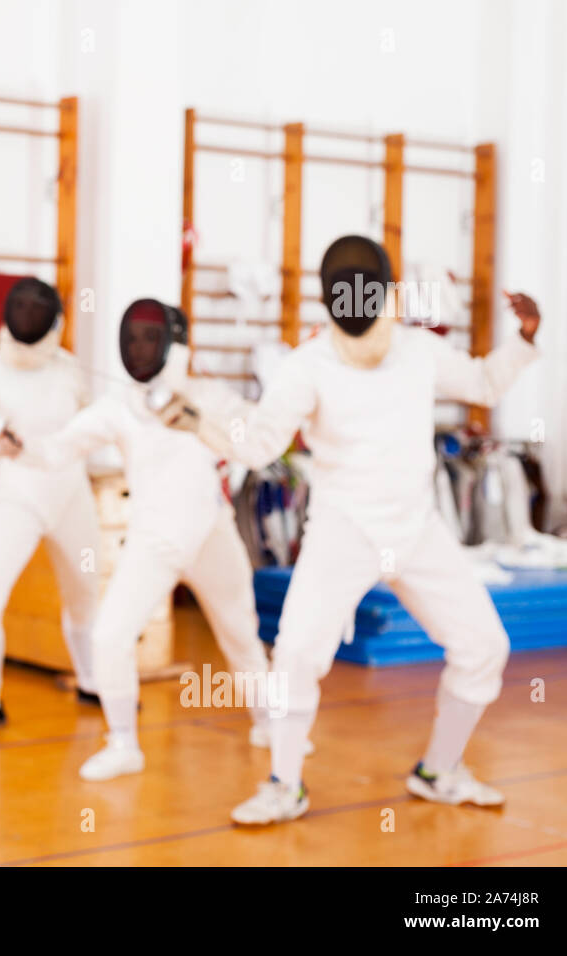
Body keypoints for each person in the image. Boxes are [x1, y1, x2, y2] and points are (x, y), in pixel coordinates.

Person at [164, 235, 541, 824]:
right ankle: (285, 785)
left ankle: (440, 771)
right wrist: (197, 421)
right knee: (293, 655)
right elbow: (262, 444)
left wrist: (522, 341)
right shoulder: (306, 366)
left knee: (485, 646)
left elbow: (484, 384)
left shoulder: (418, 351)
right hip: (344, 530)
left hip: (416, 527)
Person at [0, 298, 275, 780]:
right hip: (154, 541)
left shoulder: (210, 395)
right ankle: (123, 743)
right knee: (109, 636)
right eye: (134, 338)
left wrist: (201, 419)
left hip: (210, 529)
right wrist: (21, 446)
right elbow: (60, 448)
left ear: (175, 344)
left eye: (151, 337)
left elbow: (254, 439)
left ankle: (273, 724)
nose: (141, 347)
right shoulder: (119, 407)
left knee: (240, 631)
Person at [0, 278, 102, 731]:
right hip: (16, 499)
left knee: (85, 594)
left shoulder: (69, 369)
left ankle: (91, 682)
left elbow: (91, 431)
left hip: (71, 495)